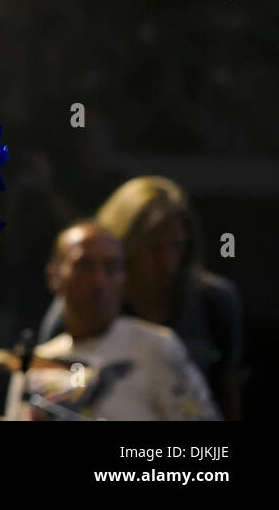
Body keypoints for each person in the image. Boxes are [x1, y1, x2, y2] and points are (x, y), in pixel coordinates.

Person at [36, 176, 244, 419]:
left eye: (176, 246)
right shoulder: (72, 317)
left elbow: (226, 398)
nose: (167, 263)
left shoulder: (174, 335)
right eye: (154, 247)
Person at [15, 222, 218, 421]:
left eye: (112, 268)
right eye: (85, 266)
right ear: (55, 276)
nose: (99, 281)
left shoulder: (155, 347)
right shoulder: (35, 367)